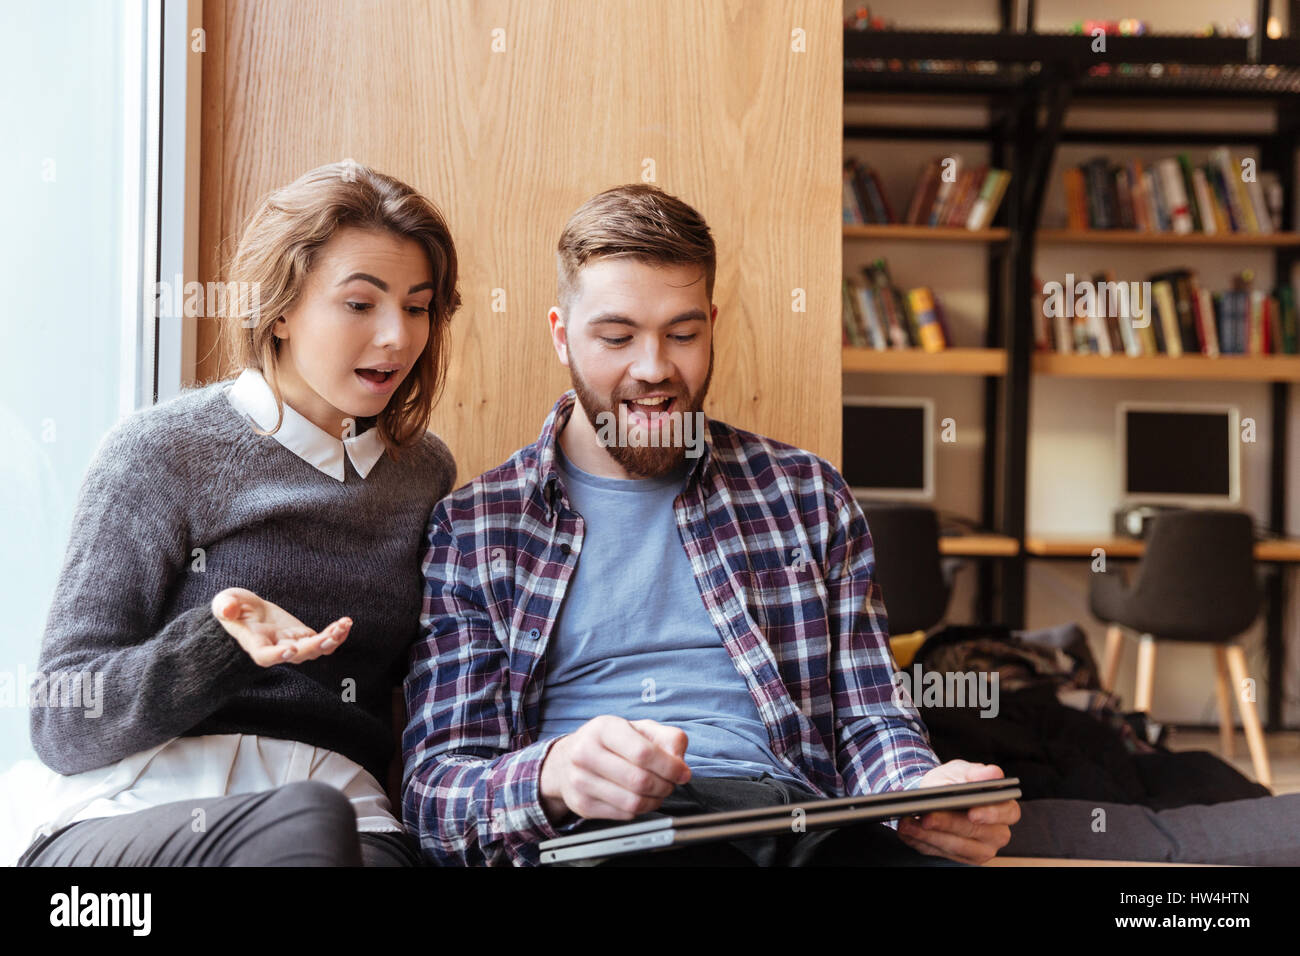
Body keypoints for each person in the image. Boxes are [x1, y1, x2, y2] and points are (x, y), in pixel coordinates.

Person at [402, 184, 1019, 866]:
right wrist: (551, 775)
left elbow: (872, 717)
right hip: (606, 841)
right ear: (561, 335)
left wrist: (922, 793)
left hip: (801, 825)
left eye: (683, 334)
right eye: (616, 336)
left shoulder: (806, 494)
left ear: (712, 325)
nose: (655, 368)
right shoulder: (478, 527)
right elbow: (435, 801)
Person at [19, 161, 459, 867]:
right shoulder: (160, 452)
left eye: (418, 306)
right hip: (147, 799)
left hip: (344, 805)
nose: (397, 338)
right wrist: (218, 645)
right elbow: (59, 720)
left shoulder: (424, 474)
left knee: (334, 833)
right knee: (308, 827)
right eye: (360, 304)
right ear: (279, 308)